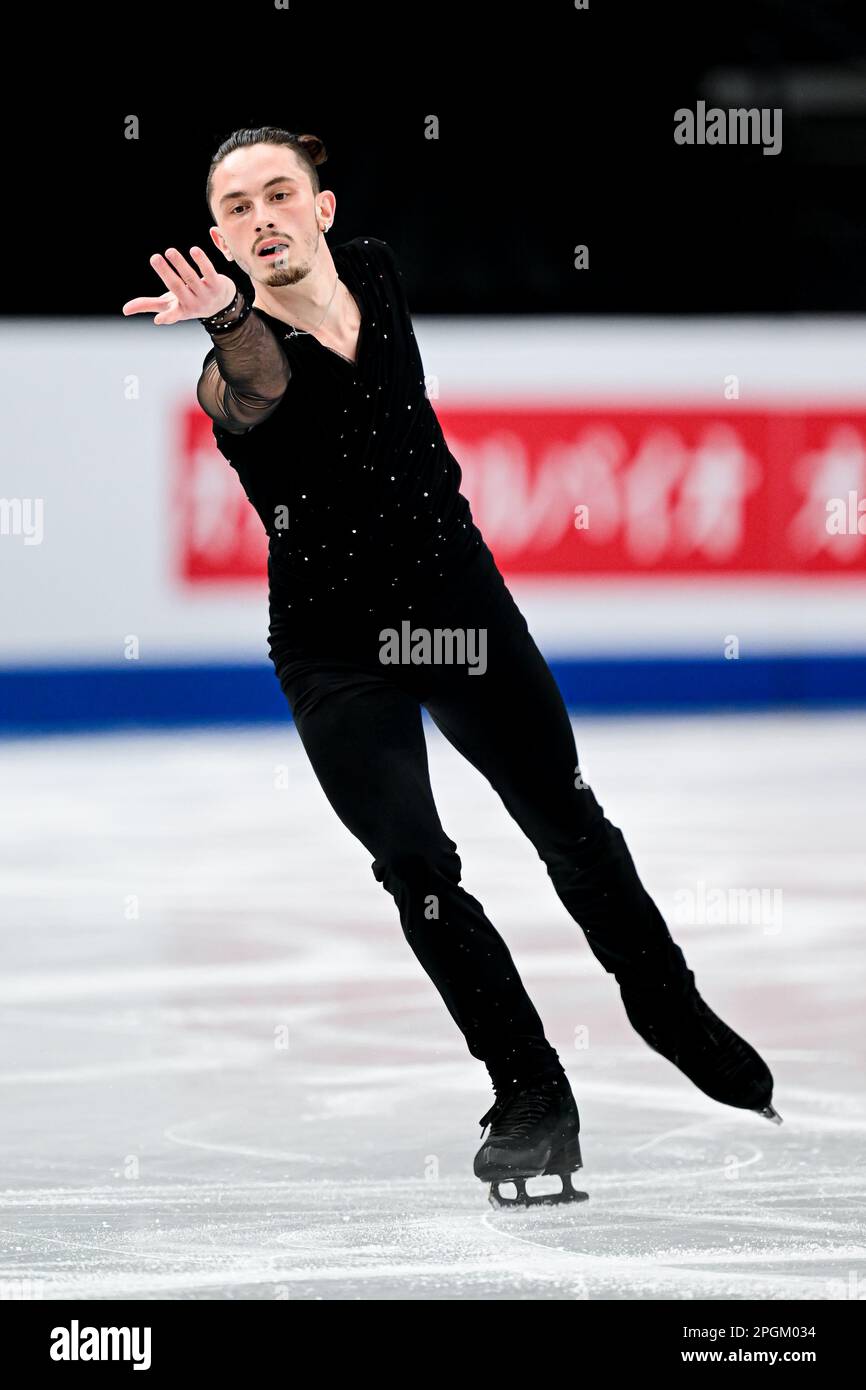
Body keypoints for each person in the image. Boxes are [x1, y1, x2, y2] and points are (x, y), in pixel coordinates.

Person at [122, 127, 781, 1209]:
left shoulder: (373, 272)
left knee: (562, 815)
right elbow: (256, 385)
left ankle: (664, 1003)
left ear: (322, 208)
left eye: (279, 194)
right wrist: (232, 320)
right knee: (415, 866)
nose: (262, 218)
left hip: (454, 612)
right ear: (219, 241)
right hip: (336, 651)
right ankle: (528, 1089)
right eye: (237, 209)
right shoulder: (228, 366)